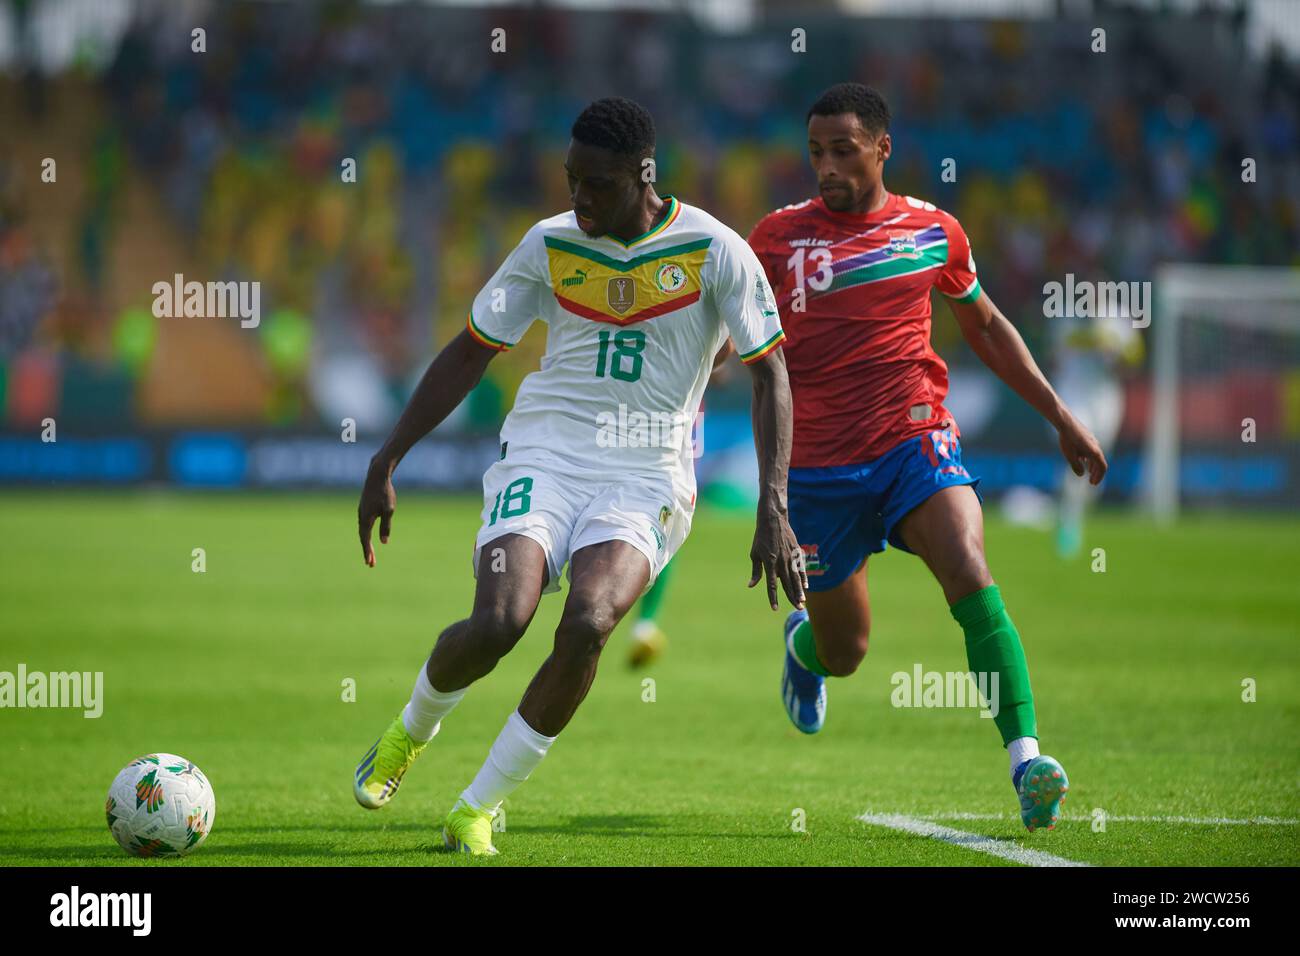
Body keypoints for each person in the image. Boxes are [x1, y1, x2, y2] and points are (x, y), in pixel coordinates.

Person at [355, 97, 805, 855]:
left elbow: (771, 375)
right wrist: (386, 457)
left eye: (596, 184)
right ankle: (409, 734)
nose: (580, 198)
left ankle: (477, 805)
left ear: (643, 175)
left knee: (589, 622)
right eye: (571, 181)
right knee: (500, 622)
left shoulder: (716, 250)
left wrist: (775, 505)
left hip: (647, 475)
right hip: (544, 454)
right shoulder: (548, 244)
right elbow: (471, 349)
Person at [747, 83, 1106, 832]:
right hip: (816, 467)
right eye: (816, 151)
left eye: (843, 150)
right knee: (846, 650)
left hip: (914, 441)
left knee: (970, 569)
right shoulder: (775, 240)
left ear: (883, 148)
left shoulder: (933, 231)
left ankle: (1027, 760)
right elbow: (739, 342)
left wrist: (1061, 416)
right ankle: (804, 653)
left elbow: (986, 327)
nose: (827, 167)